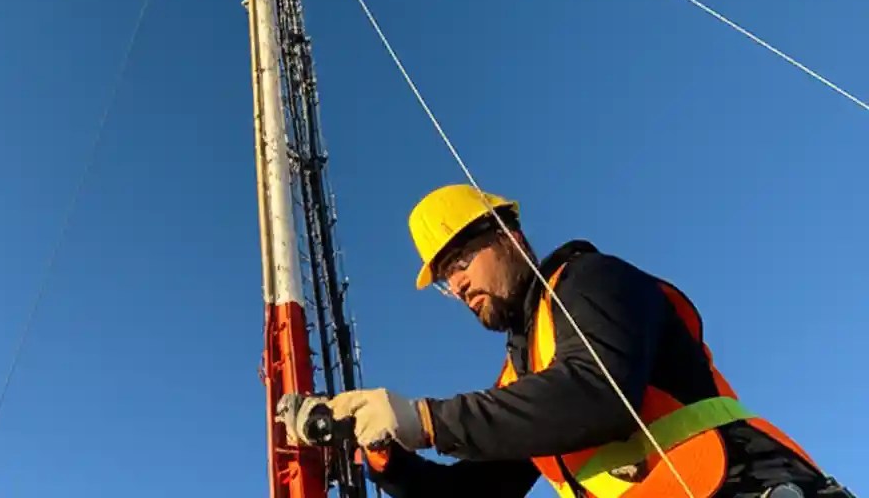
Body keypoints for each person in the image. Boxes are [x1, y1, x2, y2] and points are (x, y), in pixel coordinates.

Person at [280, 184, 853, 498]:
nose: (457, 283)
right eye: (446, 278)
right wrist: (386, 456)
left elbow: (598, 393)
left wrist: (424, 419)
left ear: (510, 234)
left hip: (745, 486)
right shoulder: (524, 377)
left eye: (460, 258)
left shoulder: (590, 279)